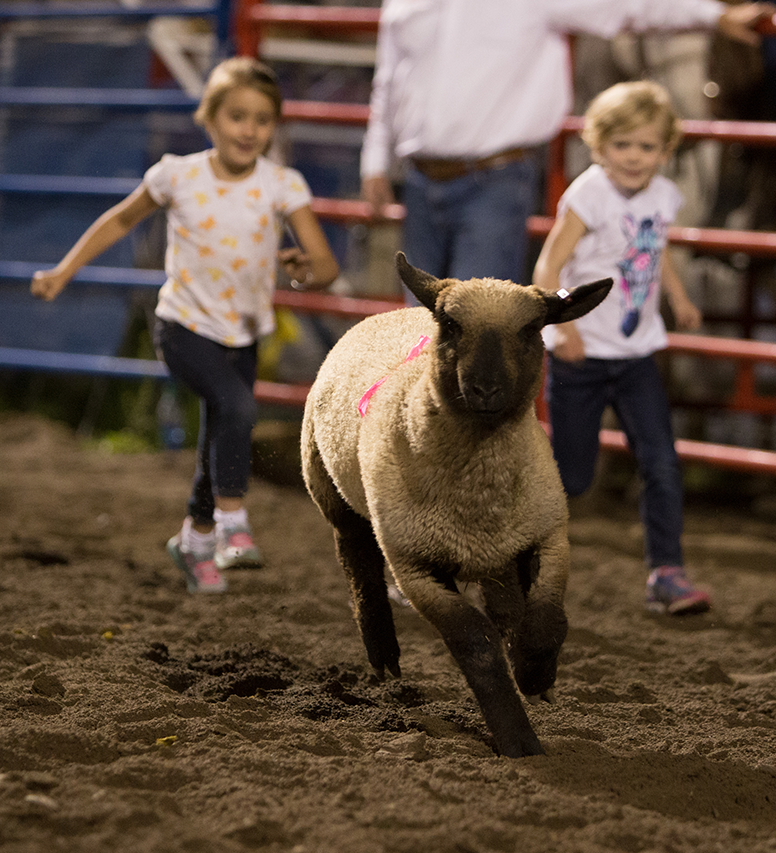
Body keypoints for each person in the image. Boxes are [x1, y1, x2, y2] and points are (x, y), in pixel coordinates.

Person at [31, 57, 340, 594]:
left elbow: (326, 266)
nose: (249, 130)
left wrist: (305, 270)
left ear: (274, 126)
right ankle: (232, 523)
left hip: (243, 335)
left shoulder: (282, 185)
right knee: (238, 409)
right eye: (237, 116)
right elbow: (121, 219)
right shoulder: (176, 174)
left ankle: (193, 540)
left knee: (221, 431)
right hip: (182, 326)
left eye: (262, 120)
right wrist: (64, 270)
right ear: (209, 118)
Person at [360, 0, 775, 295]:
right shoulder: (405, 3)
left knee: (476, 324)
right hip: (420, 180)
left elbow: (628, 7)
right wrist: (374, 162)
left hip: (493, 180)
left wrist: (714, 15)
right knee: (418, 323)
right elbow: (389, 78)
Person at [532, 80, 710, 615]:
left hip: (636, 358)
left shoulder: (664, 195)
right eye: (622, 145)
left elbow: (656, 248)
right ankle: (516, 557)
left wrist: (677, 297)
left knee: (661, 462)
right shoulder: (588, 195)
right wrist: (562, 328)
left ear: (666, 149)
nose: (634, 157)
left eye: (647, 146)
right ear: (598, 146)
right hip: (581, 359)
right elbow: (548, 265)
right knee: (572, 477)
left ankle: (667, 573)